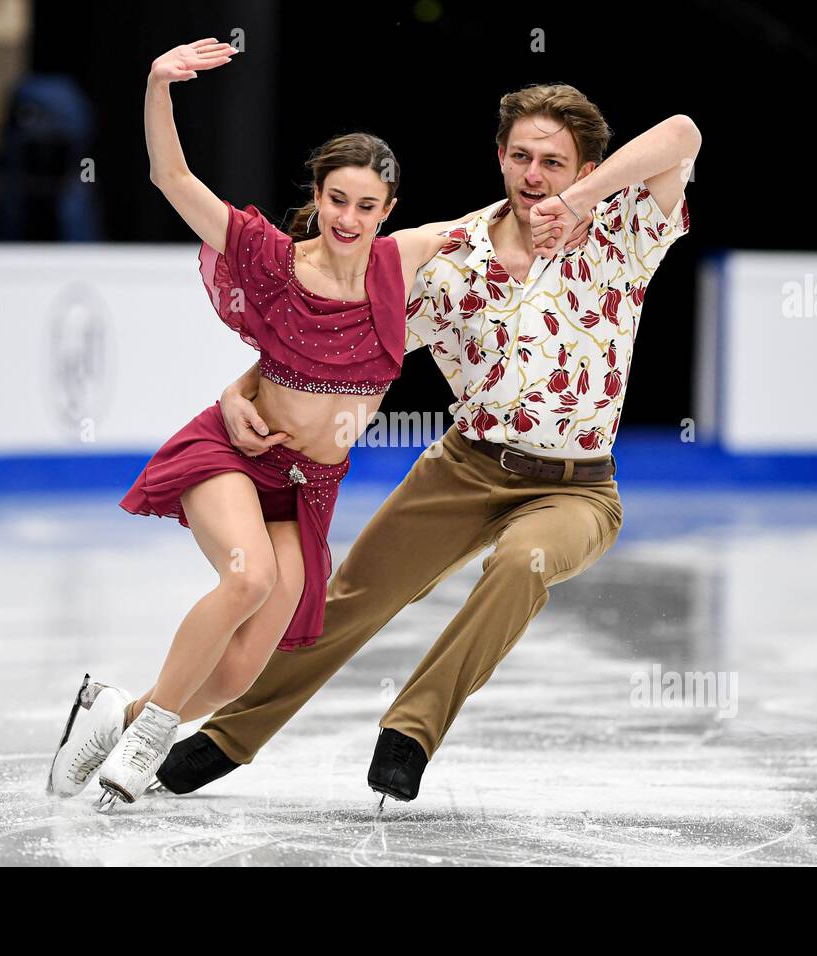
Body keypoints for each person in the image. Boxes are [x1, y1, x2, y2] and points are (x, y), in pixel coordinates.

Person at [156, 83, 700, 803]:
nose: (535, 174)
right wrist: (241, 390)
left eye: (554, 162)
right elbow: (332, 348)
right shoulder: (449, 259)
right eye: (521, 156)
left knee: (519, 564)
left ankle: (411, 730)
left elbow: (683, 133)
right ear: (500, 158)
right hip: (463, 469)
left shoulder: (620, 232)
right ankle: (230, 735)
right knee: (348, 599)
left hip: (576, 487)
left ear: (585, 168)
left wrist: (581, 201)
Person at [46, 39, 526, 809]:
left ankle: (111, 713)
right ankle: (148, 737)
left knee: (240, 674)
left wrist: (579, 189)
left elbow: (503, 214)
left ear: (389, 211)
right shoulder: (270, 260)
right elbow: (172, 178)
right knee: (249, 579)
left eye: (368, 206)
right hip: (235, 459)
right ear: (318, 193)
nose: (350, 217)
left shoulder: (403, 261)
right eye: (338, 199)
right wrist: (157, 86)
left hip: (310, 489)